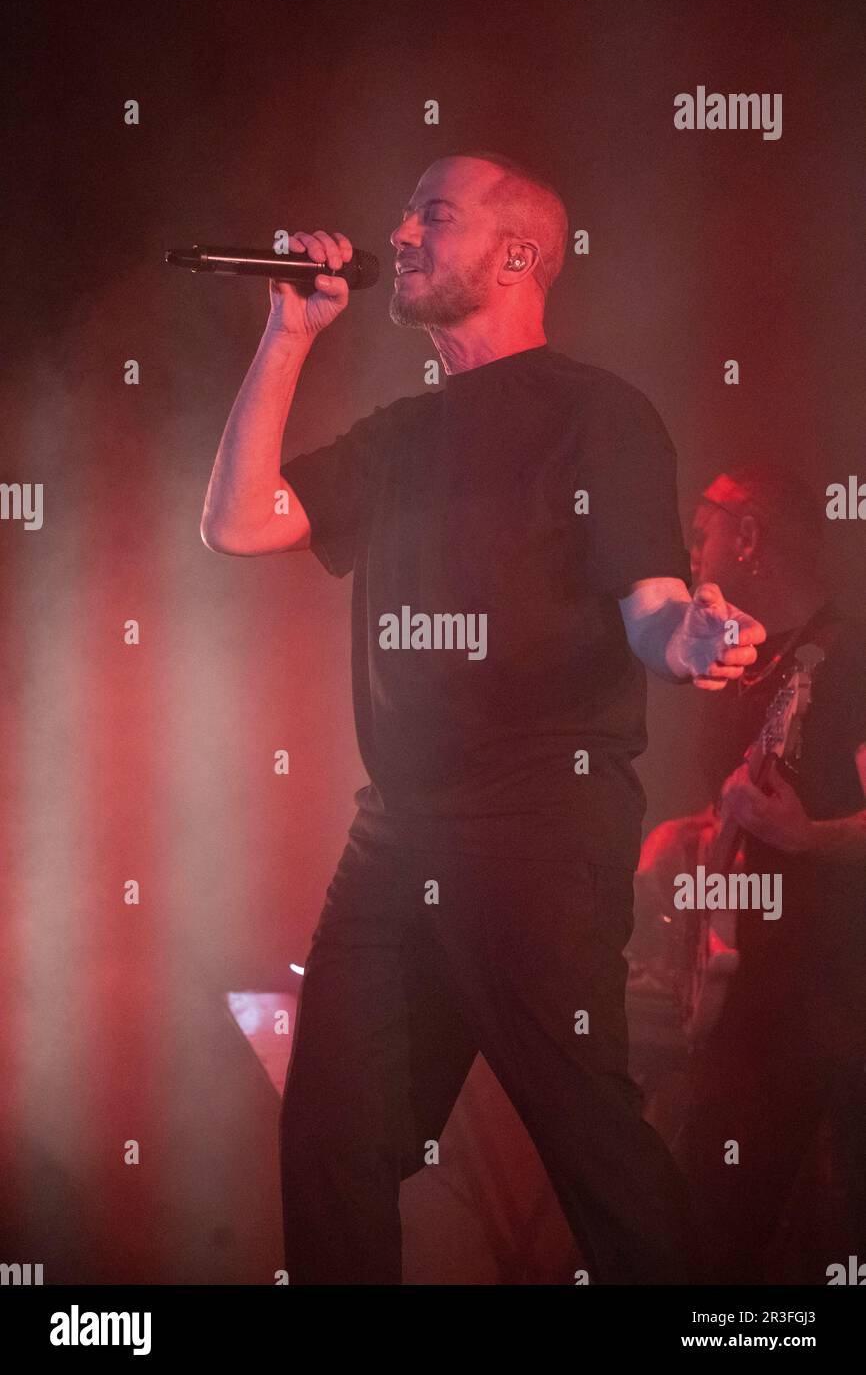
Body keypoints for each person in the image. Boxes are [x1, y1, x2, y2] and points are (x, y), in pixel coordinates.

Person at [200, 151, 763, 1284]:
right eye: (402, 210)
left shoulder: (596, 414)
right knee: (330, 1140)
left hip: (536, 830)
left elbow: (651, 603)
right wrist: (289, 338)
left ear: (517, 255)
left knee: (590, 1142)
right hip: (393, 834)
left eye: (432, 216)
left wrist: (691, 642)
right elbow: (235, 522)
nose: (398, 234)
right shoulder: (401, 434)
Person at [637, 463, 866, 1284]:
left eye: (704, 527)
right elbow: (751, 815)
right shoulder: (750, 663)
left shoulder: (847, 660)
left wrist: (809, 838)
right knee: (703, 1237)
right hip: (749, 1002)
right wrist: (690, 832)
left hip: (831, 1003)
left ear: (751, 533)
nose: (692, 548)